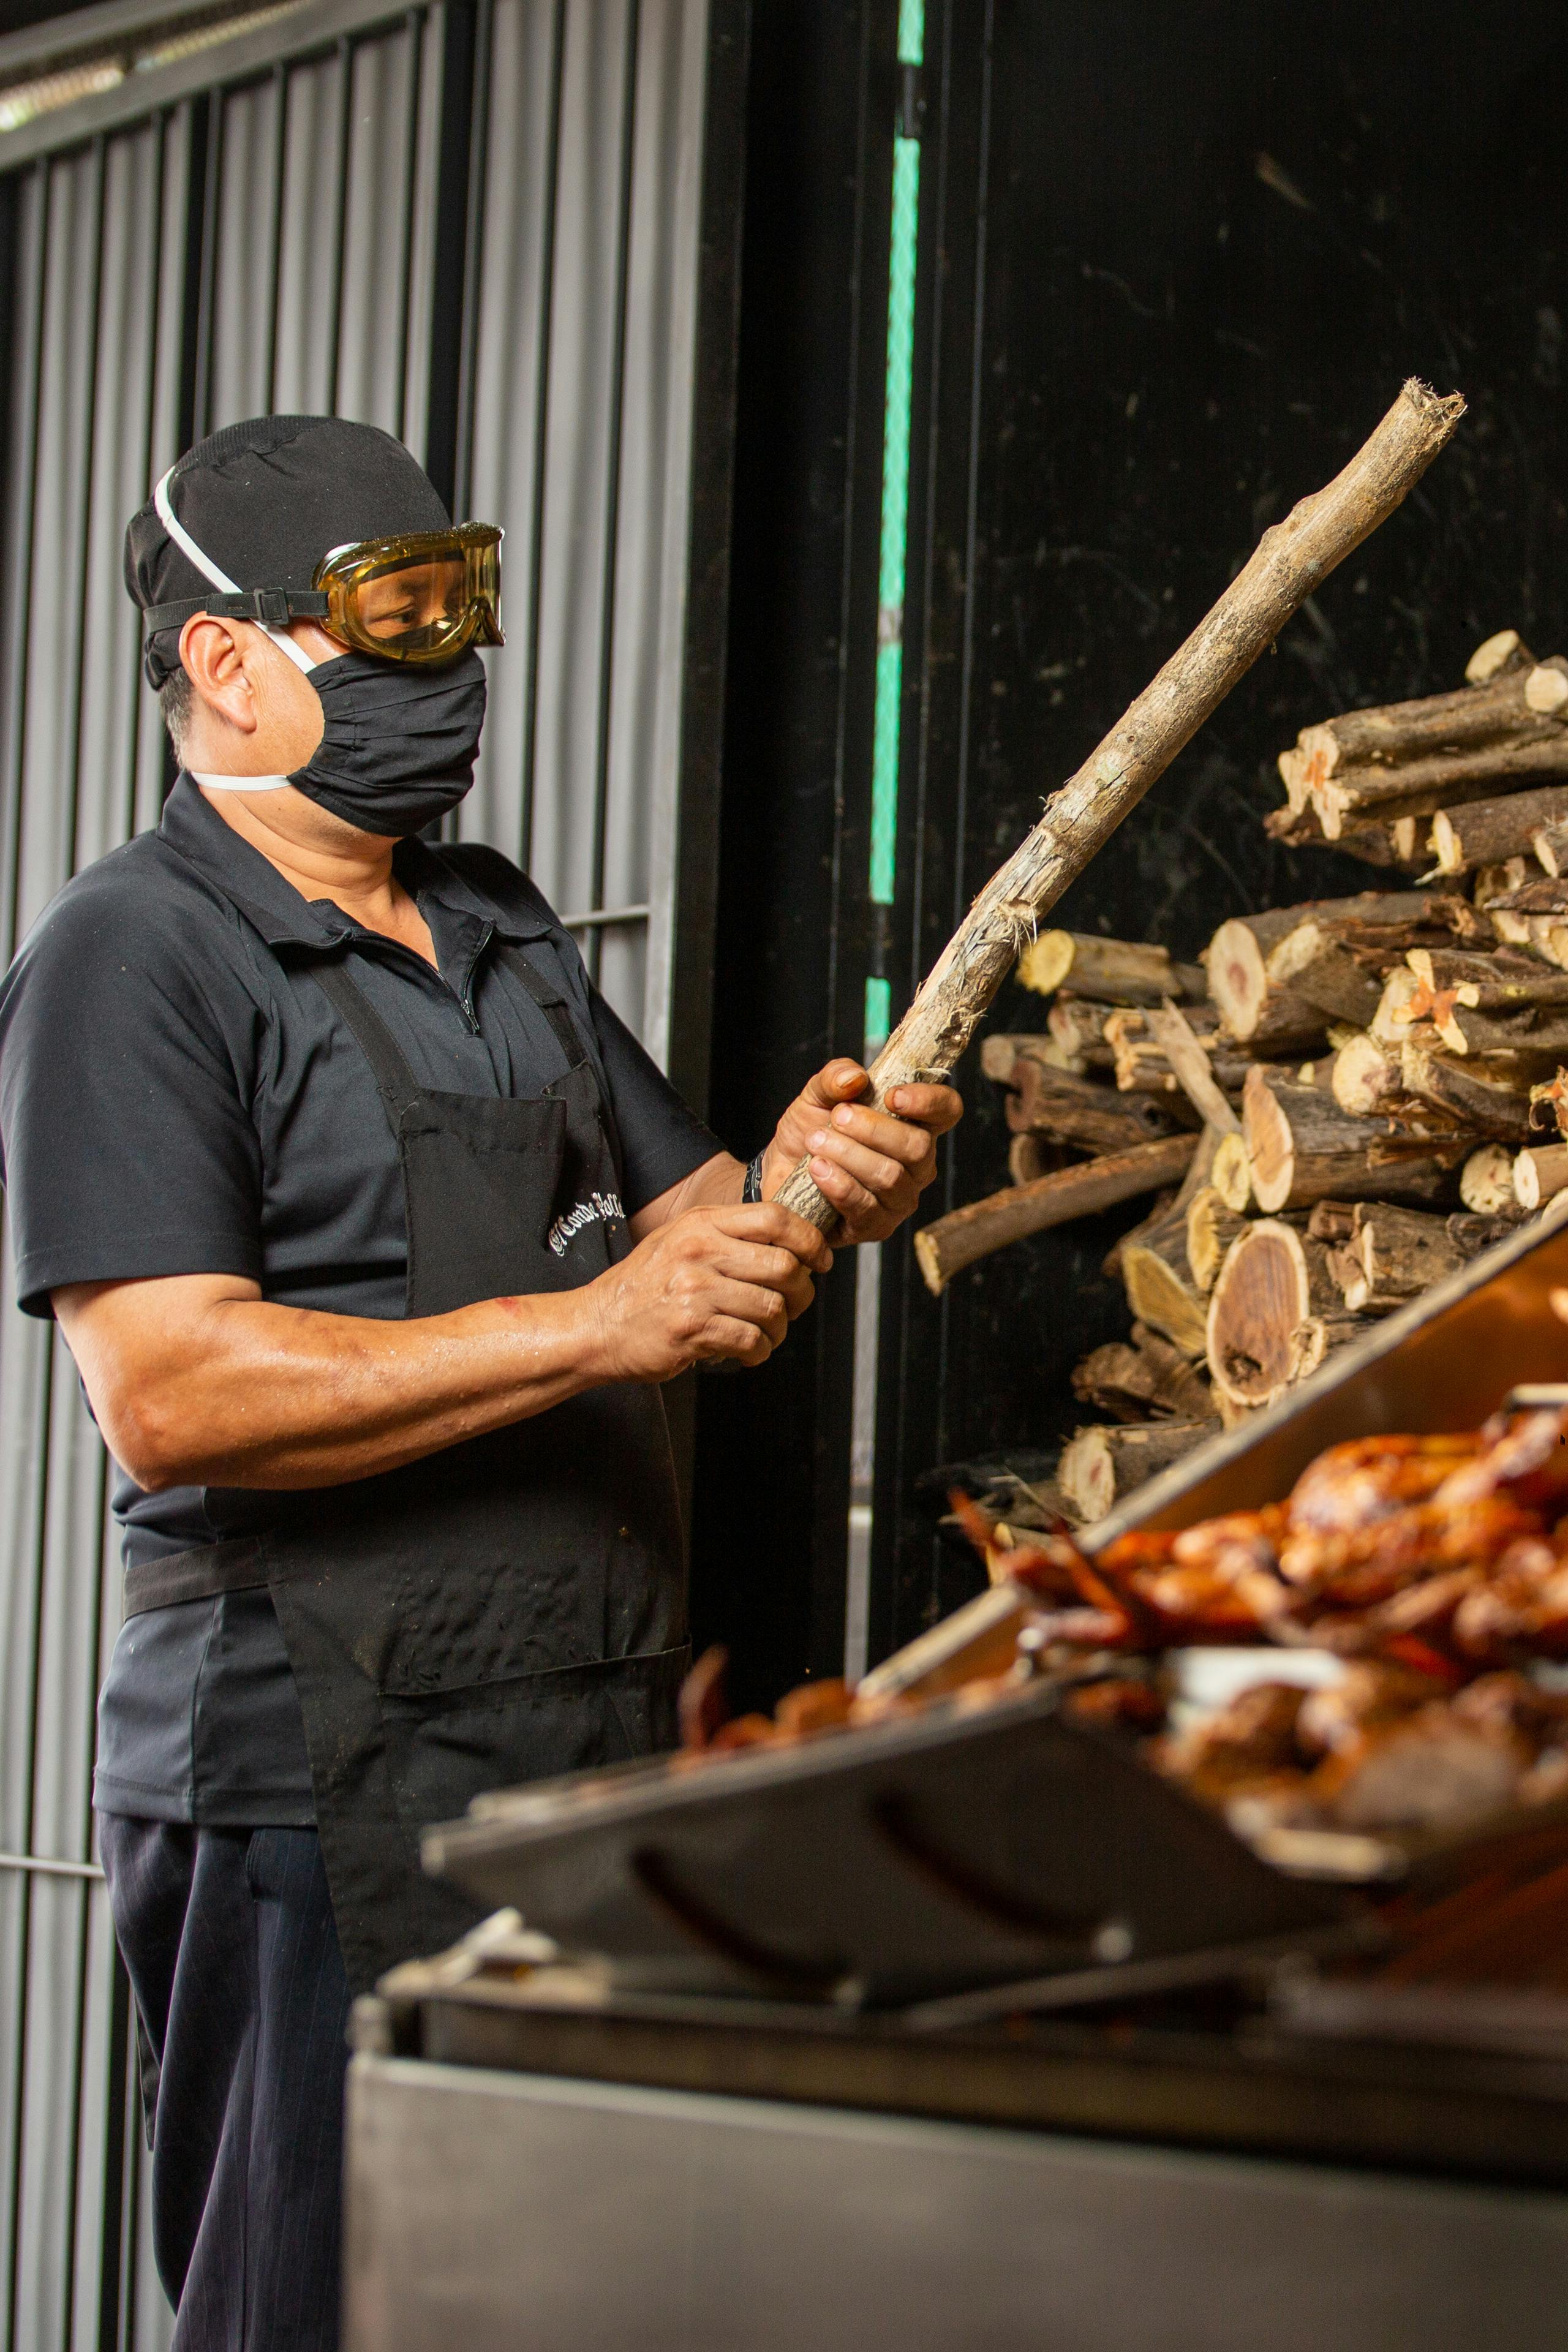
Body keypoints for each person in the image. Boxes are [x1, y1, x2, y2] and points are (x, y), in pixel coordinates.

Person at [0, 413, 960, 2350]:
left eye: (465, 604)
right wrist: (608, 1322)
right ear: (226, 659)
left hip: (580, 1745)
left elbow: (713, 1248)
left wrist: (815, 1185)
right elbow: (171, 1391)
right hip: (309, 1775)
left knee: (557, 2293)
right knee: (326, 2297)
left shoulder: (496, 922)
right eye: (396, 617)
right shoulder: (137, 955)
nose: (452, 667)